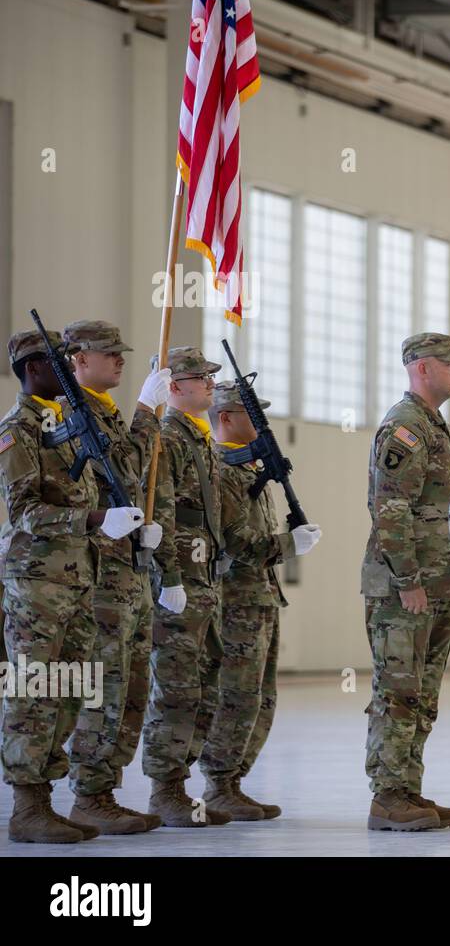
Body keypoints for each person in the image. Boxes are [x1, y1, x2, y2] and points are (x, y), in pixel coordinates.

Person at [1, 329, 144, 843]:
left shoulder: (67, 422)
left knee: (69, 690)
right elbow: (23, 512)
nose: (66, 373)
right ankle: (26, 806)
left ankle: (52, 800)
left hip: (80, 577)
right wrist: (92, 520)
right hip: (36, 581)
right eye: (55, 365)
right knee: (33, 690)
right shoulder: (18, 428)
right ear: (34, 370)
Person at [61, 321, 170, 835]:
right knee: (103, 688)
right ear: (78, 359)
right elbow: (122, 467)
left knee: (131, 688)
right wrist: (147, 412)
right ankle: (88, 793)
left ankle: (104, 790)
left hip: (128, 572)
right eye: (109, 354)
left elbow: (127, 473)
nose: (120, 361)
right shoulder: (68, 415)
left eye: (121, 353)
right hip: (101, 576)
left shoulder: (102, 411)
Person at [361, 333, 450, 832]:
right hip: (404, 586)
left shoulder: (433, 425)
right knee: (398, 689)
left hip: (434, 582)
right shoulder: (405, 427)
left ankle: (408, 790)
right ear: (422, 368)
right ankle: (386, 796)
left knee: (422, 693)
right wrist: (406, 577)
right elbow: (390, 508)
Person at [199, 381, 321, 820]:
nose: (261, 424)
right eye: (252, 415)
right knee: (236, 695)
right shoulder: (222, 472)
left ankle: (232, 780)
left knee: (261, 698)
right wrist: (289, 546)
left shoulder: (250, 470)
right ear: (226, 418)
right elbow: (238, 544)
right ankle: (217, 783)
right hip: (235, 601)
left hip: (261, 597)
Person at [141, 346, 231, 827]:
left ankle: (180, 782)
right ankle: (164, 790)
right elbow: (163, 515)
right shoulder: (166, 438)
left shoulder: (198, 439)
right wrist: (169, 578)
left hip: (204, 585)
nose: (210, 384)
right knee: (175, 691)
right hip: (180, 587)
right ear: (174, 388)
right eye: (200, 378)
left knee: (201, 689)